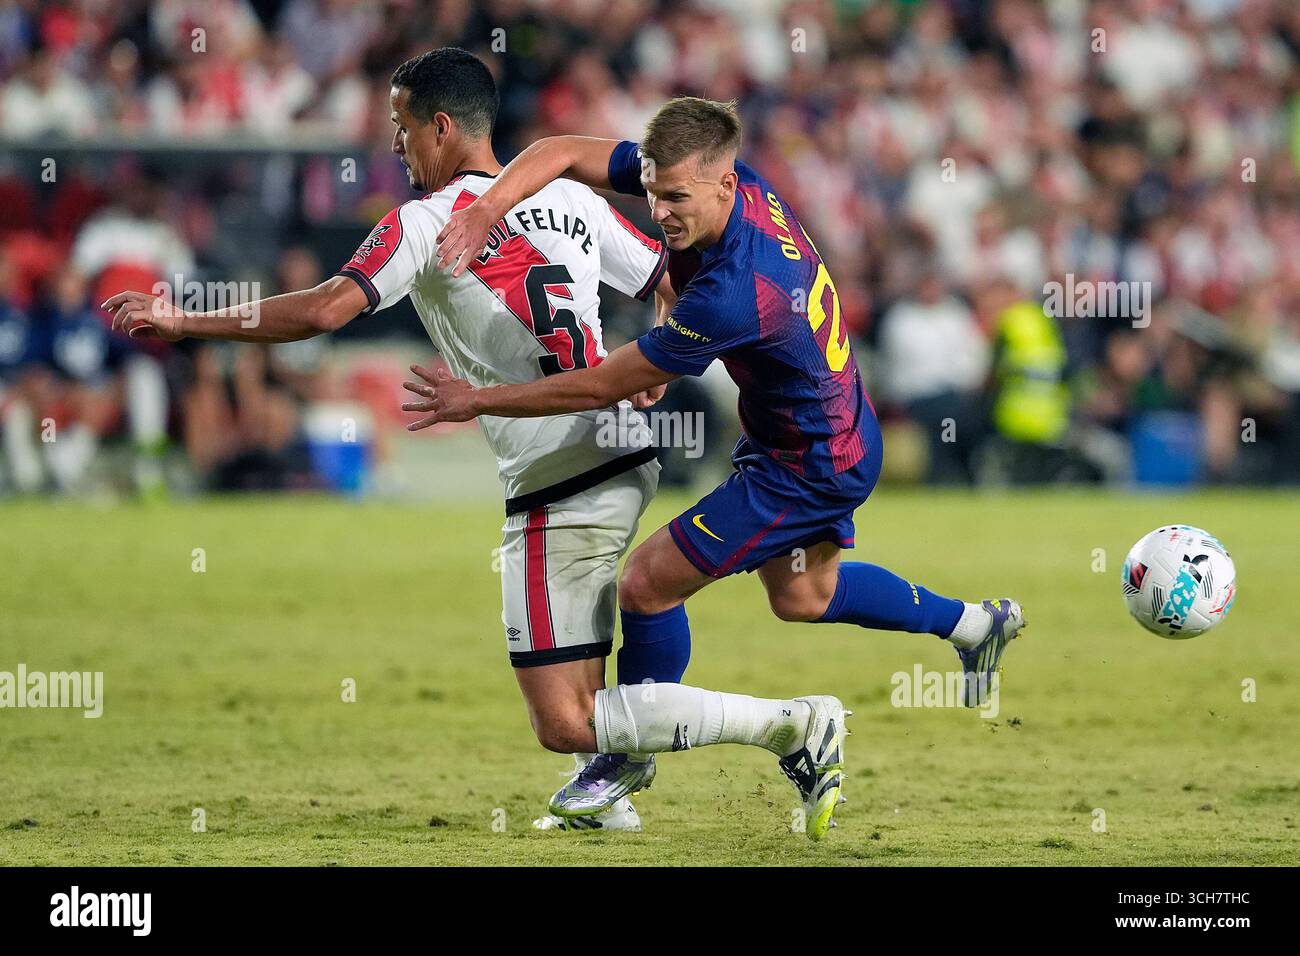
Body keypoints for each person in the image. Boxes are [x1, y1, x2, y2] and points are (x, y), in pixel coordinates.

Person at [103, 52, 849, 839]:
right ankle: (611, 798)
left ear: (442, 127)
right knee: (586, 668)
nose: (396, 145)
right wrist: (654, 360)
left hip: (558, 472)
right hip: (624, 453)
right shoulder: (570, 197)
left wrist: (188, 320)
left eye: (401, 126)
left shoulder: (422, 224)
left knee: (564, 718)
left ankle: (795, 726)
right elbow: (670, 280)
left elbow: (326, 310)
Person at [412, 96, 1028, 818]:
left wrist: (477, 400)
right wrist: (491, 209)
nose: (660, 211)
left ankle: (622, 759)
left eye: (674, 198)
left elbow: (606, 383)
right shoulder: (740, 189)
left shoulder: (740, 291)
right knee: (805, 596)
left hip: (806, 464)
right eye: (650, 191)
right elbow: (560, 151)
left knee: (645, 585)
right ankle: (976, 626)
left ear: (722, 184)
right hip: (825, 432)